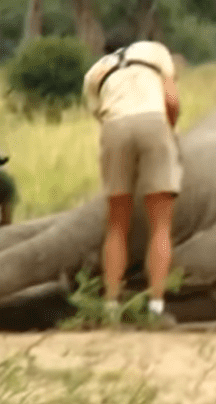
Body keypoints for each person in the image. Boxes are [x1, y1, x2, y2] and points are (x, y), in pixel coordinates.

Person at [82, 31, 182, 326]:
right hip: (153, 122)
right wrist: (170, 133)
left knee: (116, 223)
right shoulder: (155, 51)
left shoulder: (95, 72)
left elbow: (100, 116)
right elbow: (172, 102)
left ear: (106, 51)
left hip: (114, 128)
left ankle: (111, 306)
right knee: (161, 224)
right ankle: (156, 307)